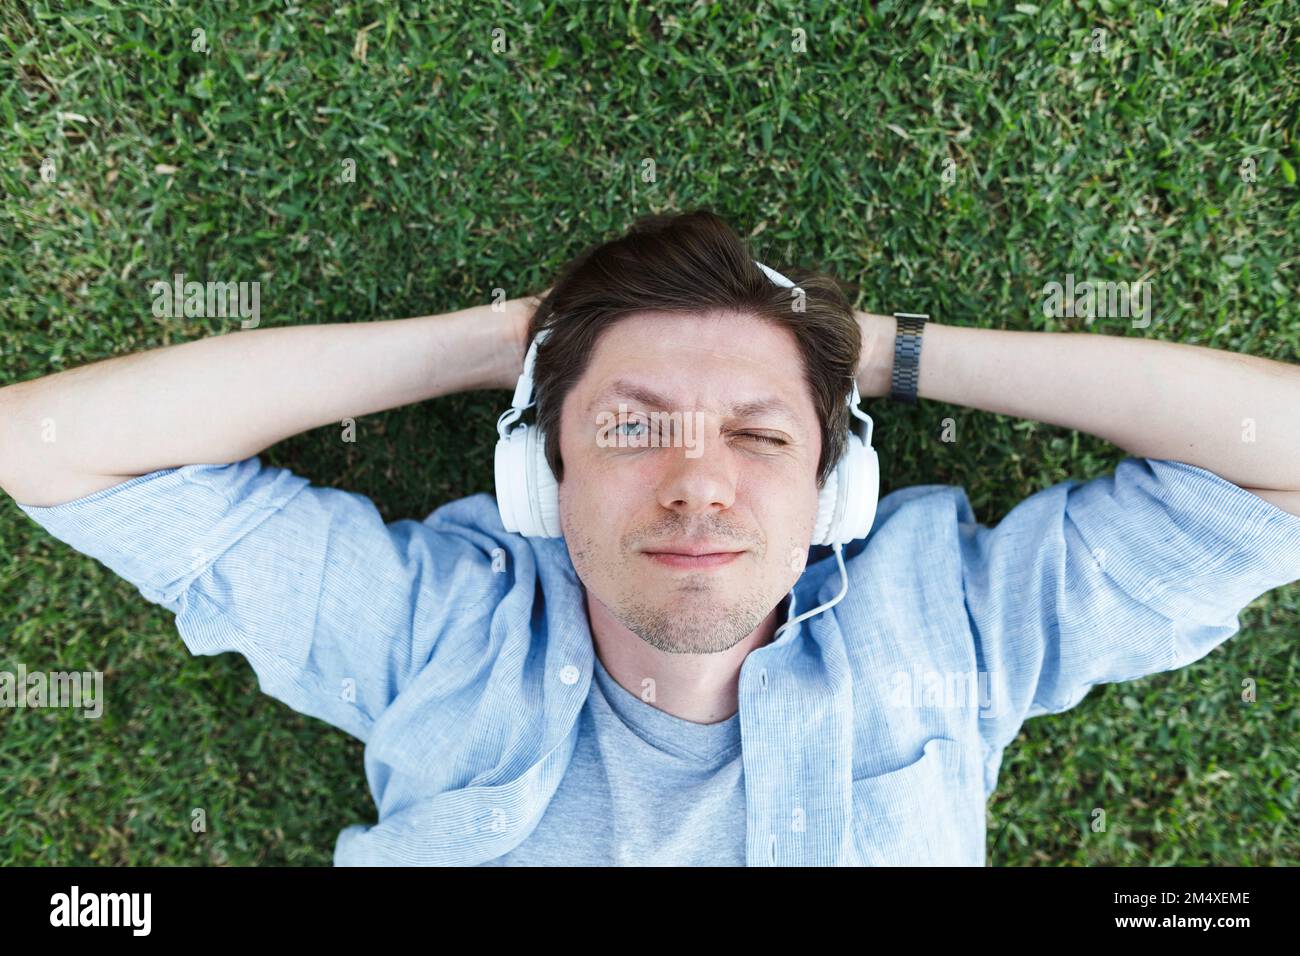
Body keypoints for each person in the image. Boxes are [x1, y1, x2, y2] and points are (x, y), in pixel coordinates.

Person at [3, 210, 1298, 866]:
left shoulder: (953, 620)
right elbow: (42, 448)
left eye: (761, 434)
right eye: (627, 431)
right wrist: (498, 345)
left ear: (837, 496)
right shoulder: (436, 631)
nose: (696, 486)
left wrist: (892, 357)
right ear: (534, 479)